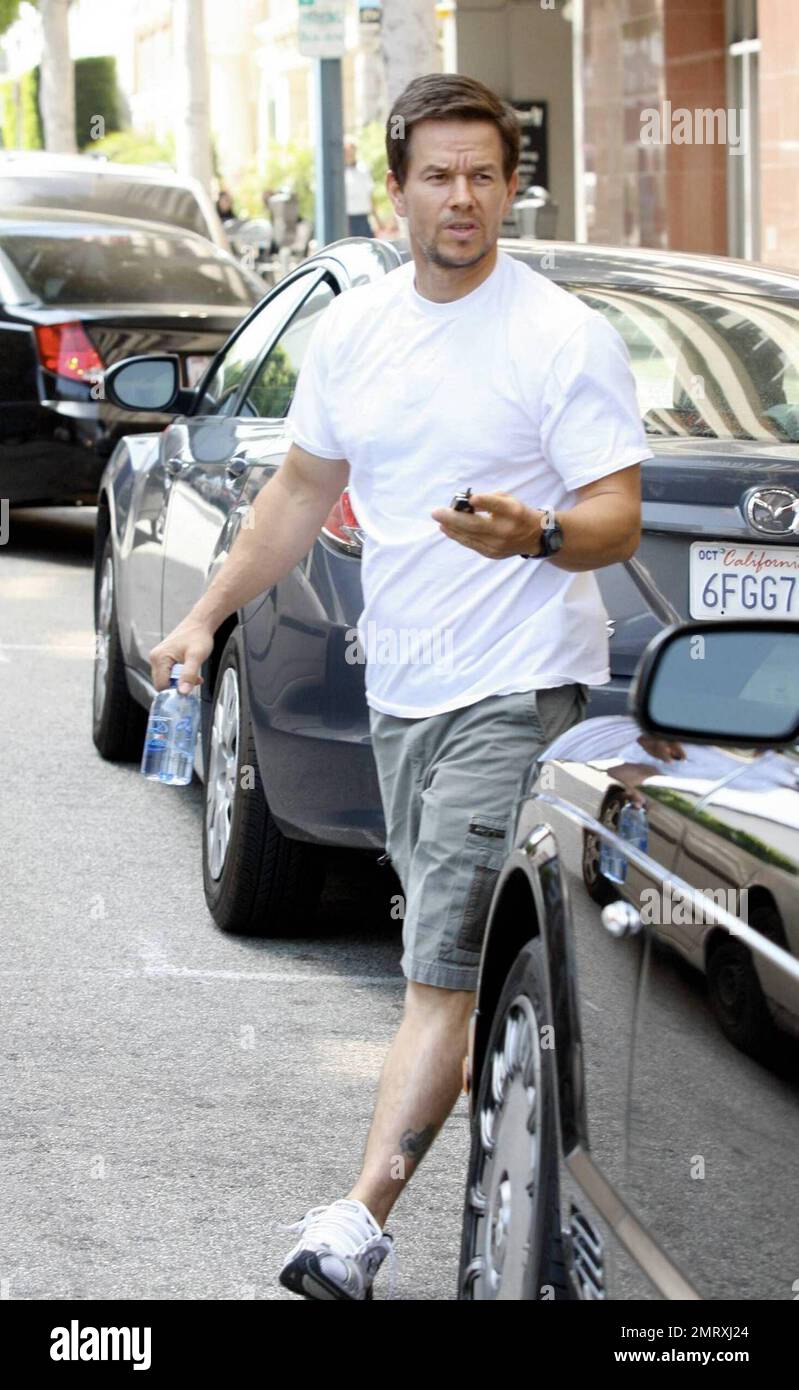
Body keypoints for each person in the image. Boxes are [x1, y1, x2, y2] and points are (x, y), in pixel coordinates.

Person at [148, 72, 652, 1301]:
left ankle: (356, 1224)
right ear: (397, 190)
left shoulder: (558, 337)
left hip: (514, 691)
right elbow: (295, 499)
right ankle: (541, 1186)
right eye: (439, 174)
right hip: (403, 700)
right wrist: (205, 616)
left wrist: (534, 534)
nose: (463, 196)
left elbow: (618, 518)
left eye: (485, 174)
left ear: (511, 187)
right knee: (469, 973)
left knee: (433, 977)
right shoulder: (356, 332)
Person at [344, 135, 380, 237]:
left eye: (351, 150)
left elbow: (370, 196)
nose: (349, 153)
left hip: (363, 219)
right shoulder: (339, 173)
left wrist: (378, 221)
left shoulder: (363, 169)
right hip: (347, 221)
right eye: (346, 150)